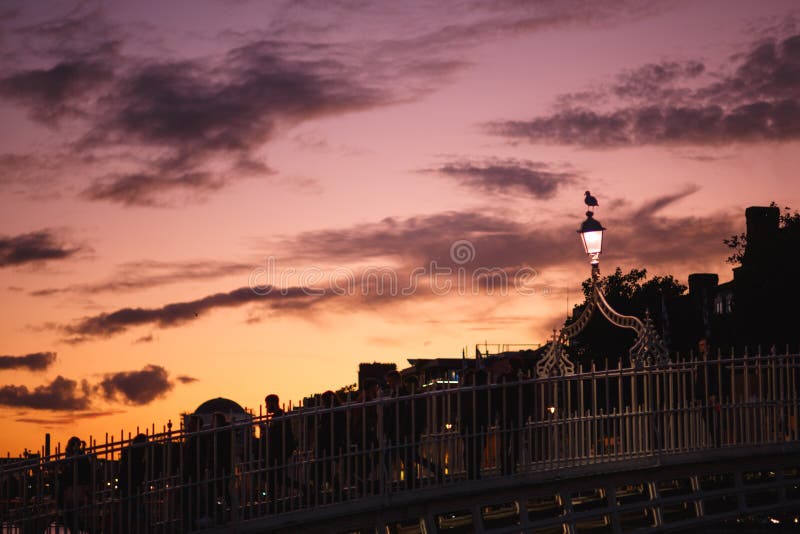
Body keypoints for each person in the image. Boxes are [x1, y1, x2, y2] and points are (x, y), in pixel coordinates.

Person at [264, 394, 296, 507]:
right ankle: (273, 501)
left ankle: (273, 503)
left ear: (273, 403)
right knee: (277, 477)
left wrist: (266, 429)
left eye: (267, 404)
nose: (266, 407)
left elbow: (277, 435)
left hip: (280, 451)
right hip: (278, 450)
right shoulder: (278, 416)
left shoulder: (280, 416)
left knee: (274, 477)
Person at [58, 436, 93, 533]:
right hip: (76, 489)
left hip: (74, 489)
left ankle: (87, 529)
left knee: (70, 515)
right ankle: (88, 529)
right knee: (73, 515)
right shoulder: (80, 457)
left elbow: (72, 474)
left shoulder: (76, 458)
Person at [118, 434, 147, 533]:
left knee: (126, 515)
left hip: (125, 488)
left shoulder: (127, 454)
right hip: (133, 489)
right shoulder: (138, 458)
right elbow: (139, 475)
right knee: (134, 515)